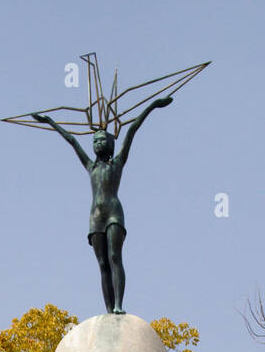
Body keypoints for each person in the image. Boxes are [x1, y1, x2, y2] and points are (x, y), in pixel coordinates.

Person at [30, 97, 173, 313]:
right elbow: (71, 140)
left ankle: (118, 305)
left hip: (114, 213)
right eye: (95, 141)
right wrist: (50, 121)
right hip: (95, 217)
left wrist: (153, 106)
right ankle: (108, 309)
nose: (98, 143)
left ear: (111, 143)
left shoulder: (117, 163)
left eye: (102, 140)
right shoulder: (90, 166)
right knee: (102, 264)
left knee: (115, 257)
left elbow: (132, 129)